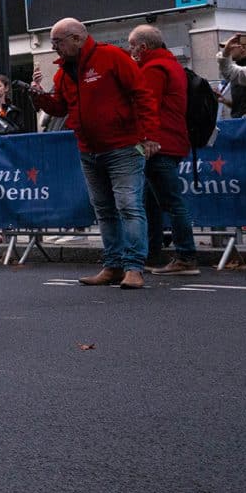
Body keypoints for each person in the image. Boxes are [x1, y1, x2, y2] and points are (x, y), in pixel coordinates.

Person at [29, 19, 158, 290]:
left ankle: (134, 267)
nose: (55, 49)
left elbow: (142, 94)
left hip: (122, 146)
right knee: (104, 210)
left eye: (58, 42)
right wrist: (38, 97)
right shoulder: (63, 72)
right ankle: (113, 265)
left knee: (128, 206)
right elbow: (60, 108)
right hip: (90, 149)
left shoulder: (111, 57)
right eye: (53, 43)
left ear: (77, 38)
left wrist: (148, 135)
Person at [126, 26, 199, 276]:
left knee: (170, 202)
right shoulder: (171, 65)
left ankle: (185, 256)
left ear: (143, 47)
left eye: (132, 45)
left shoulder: (153, 69)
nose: (129, 50)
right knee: (152, 201)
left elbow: (148, 106)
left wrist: (145, 140)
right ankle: (153, 253)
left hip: (158, 144)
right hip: (171, 141)